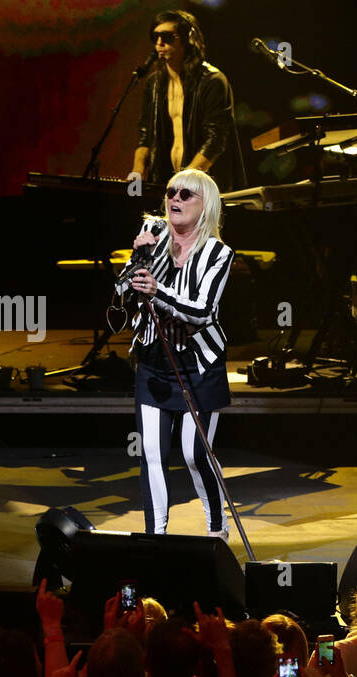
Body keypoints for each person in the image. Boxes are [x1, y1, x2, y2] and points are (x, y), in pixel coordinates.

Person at [118, 167, 236, 537]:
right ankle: (157, 538)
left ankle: (216, 530)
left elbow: (202, 312)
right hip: (154, 361)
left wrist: (159, 292)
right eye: (171, 192)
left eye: (187, 194)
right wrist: (137, 260)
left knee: (194, 454)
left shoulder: (218, 253)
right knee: (152, 454)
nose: (175, 199)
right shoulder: (154, 234)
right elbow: (122, 294)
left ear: (207, 206)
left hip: (198, 363)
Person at [131, 10, 246, 192]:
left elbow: (215, 140)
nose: (159, 43)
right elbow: (145, 134)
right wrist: (137, 171)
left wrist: (185, 182)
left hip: (204, 187)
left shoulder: (212, 81)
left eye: (167, 37)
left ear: (188, 39)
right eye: (155, 37)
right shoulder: (154, 84)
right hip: (167, 184)